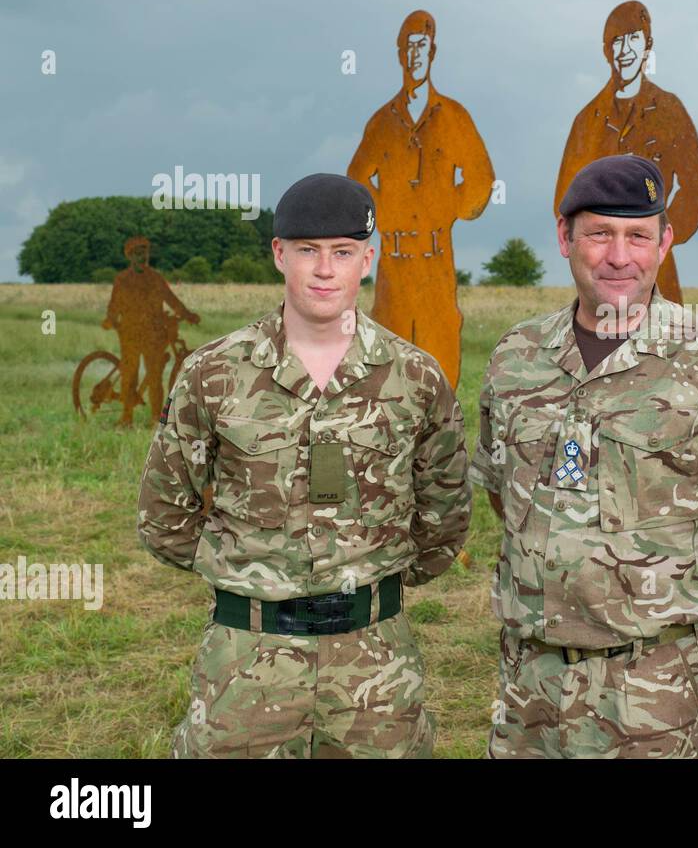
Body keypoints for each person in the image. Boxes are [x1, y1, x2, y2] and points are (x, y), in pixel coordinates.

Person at [472, 154, 698, 758]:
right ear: (565, 236)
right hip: (529, 691)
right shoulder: (515, 357)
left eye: (638, 236)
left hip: (655, 691)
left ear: (665, 242)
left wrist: (673, 594)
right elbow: (503, 489)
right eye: (599, 233)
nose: (619, 256)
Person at [136, 172, 471, 758]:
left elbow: (445, 513)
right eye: (307, 251)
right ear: (278, 255)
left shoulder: (415, 377)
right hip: (247, 659)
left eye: (342, 252)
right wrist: (247, 574)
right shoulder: (214, 372)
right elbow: (164, 513)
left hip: (375, 663)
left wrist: (381, 582)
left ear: (367, 259)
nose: (324, 270)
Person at [348, 9, 494, 388]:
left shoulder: (453, 117)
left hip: (436, 262)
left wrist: (448, 208)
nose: (416, 53)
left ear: (433, 51)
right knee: (385, 376)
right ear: (400, 53)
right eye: (409, 46)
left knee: (439, 373)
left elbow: (480, 179)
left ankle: (439, 445)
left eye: (423, 45)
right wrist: (387, 213)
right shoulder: (382, 122)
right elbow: (356, 181)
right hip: (392, 268)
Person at [553, 0, 698, 304]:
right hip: (598, 275)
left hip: (657, 272)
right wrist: (598, 239)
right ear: (606, 50)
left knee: (669, 346)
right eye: (617, 41)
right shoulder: (587, 120)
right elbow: (563, 199)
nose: (625, 50)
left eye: (633, 38)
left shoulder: (669, 110)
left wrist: (654, 238)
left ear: (647, 45)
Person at [103, 235, 199, 427]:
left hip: (152, 334)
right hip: (130, 334)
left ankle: (156, 418)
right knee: (130, 374)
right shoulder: (122, 280)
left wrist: (188, 315)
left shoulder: (156, 278)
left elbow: (172, 300)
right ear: (130, 256)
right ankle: (126, 418)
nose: (143, 257)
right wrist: (114, 322)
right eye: (138, 254)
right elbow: (113, 306)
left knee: (155, 376)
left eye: (145, 253)